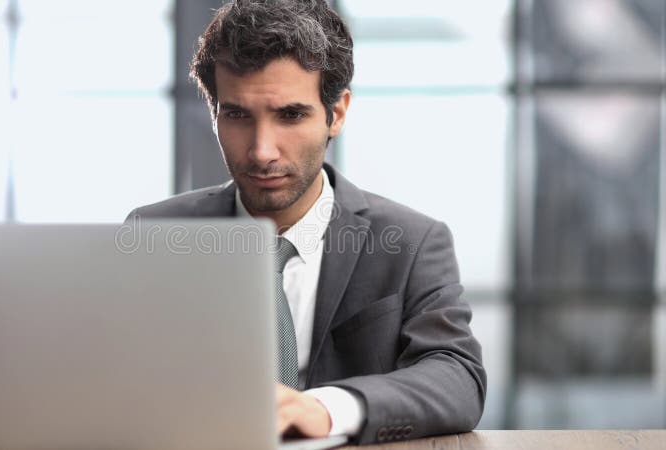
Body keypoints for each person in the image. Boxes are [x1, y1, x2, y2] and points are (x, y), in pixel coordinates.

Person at [127, 0, 486, 445]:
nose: (262, 151)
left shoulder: (412, 242)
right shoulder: (154, 235)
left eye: (291, 115)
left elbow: (457, 377)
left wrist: (326, 408)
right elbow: (115, 376)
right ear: (214, 115)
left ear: (336, 114)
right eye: (237, 115)